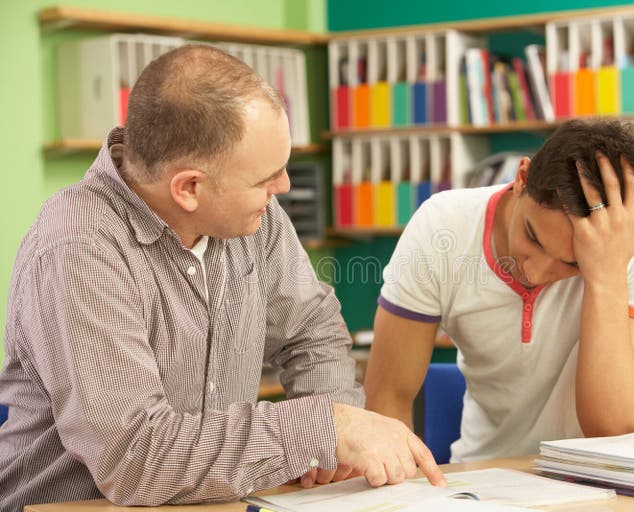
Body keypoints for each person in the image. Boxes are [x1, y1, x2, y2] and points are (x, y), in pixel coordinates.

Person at [0, 45, 443, 511]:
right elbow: (135, 459)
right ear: (189, 188)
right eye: (265, 179)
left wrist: (331, 440)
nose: (284, 189)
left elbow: (311, 331)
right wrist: (323, 427)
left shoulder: (255, 216)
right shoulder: (79, 248)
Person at [364, 119, 634, 461]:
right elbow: (387, 400)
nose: (534, 271)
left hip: (603, 480)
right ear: (521, 179)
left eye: (572, 263)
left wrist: (605, 275)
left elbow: (614, 427)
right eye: (533, 236)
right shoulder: (441, 226)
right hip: (482, 481)